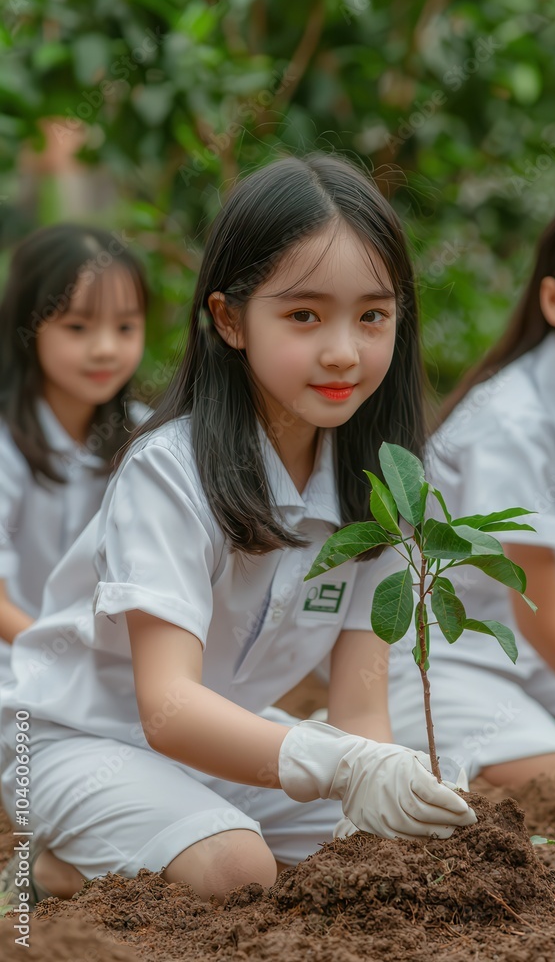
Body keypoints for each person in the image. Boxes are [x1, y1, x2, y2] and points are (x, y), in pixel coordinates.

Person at [0, 155, 476, 908]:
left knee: (395, 854)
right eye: (304, 315)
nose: (344, 351)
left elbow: (357, 708)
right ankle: (45, 870)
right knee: (237, 871)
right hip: (73, 738)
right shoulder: (169, 472)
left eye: (373, 315)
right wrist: (342, 766)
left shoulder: (389, 491)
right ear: (229, 319)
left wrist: (394, 778)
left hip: (222, 743)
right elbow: (166, 708)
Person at [387, 187, 555, 787]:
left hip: (529, 649)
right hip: (446, 652)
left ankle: (544, 719)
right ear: (554, 299)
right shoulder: (513, 423)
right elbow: (539, 619)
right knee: (554, 775)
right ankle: (371, 737)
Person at [0, 224, 148, 683]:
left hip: (116, 672)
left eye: (125, 326)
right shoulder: (6, 442)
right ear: (29, 323)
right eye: (78, 327)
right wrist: (63, 659)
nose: (105, 349)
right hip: (18, 671)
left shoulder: (148, 434)